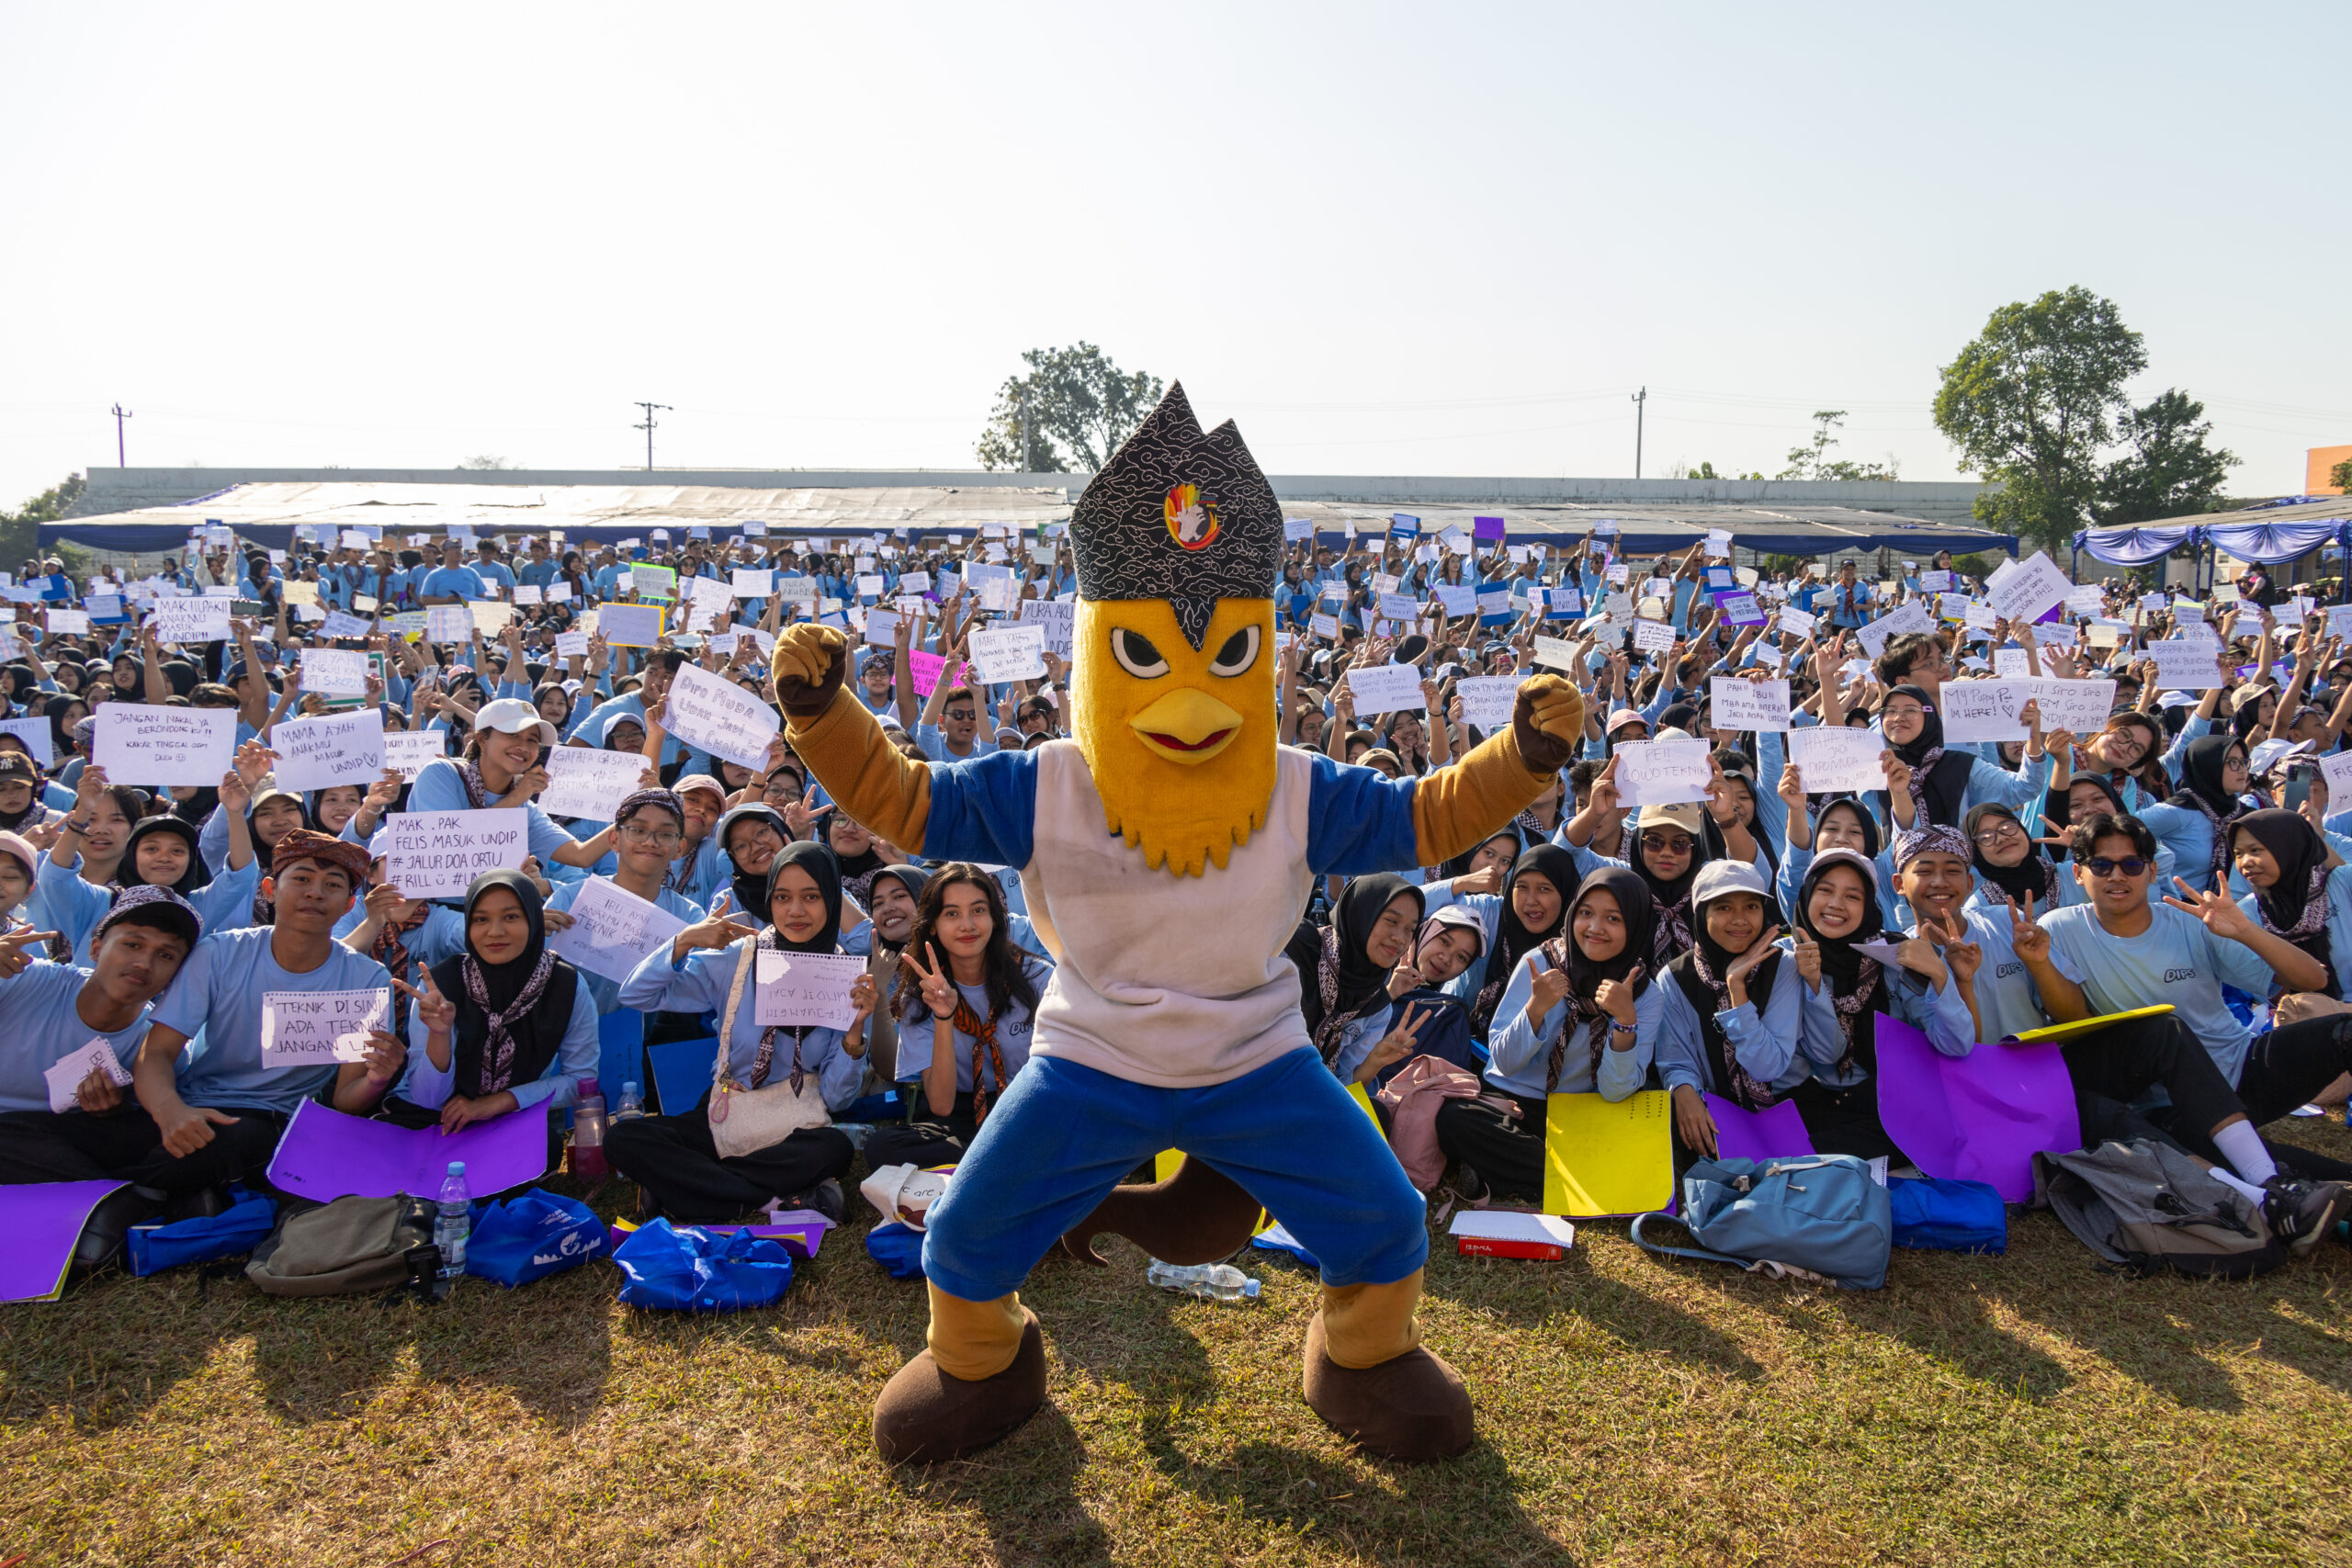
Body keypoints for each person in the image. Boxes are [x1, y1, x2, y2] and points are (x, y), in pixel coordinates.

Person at [6, 833, 391, 1202]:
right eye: (302, 879)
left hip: (268, 1119)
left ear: (348, 905)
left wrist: (377, 1079)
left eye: (332, 885)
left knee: (216, 1148)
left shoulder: (367, 978)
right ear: (270, 890)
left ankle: (119, 1196)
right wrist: (170, 1111)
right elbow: (156, 1054)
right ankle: (129, 1196)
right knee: (20, 1132)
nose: (314, 893)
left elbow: (346, 1100)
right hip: (189, 1103)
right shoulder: (220, 953)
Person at [2038, 812, 2352, 1237]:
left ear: (2151, 871)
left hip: (2240, 1073)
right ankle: (2272, 1189)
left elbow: (2314, 980)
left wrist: (2244, 931)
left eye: (2131, 864)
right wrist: (2038, 964)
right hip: (2171, 1109)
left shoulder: (2191, 922)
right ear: (2079, 873)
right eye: (2101, 865)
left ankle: (2269, 1183)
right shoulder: (2061, 928)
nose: (2117, 875)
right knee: (2326, 1176)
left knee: (2344, 1030)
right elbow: (2071, 1017)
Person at [609, 841, 871, 1223]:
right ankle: (767, 1199)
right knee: (624, 1139)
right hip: (725, 1114)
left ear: (832, 899)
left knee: (833, 1149)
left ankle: (691, 1192)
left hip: (792, 1122)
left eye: (811, 896)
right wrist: (685, 940)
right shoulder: (739, 958)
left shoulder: (843, 976)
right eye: (783, 897)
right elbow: (636, 993)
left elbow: (835, 1097)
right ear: (770, 901)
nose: (795, 911)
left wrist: (854, 1034)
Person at [0, 889, 205, 1266]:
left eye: (165, 955)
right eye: (132, 944)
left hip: (57, 1139)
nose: (144, 963)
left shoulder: (158, 1045)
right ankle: (126, 1199)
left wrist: (110, 1113)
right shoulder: (22, 980)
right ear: (95, 948)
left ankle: (119, 1199)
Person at [1434, 865, 1657, 1201]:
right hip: (1512, 1102)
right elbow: (1505, 1063)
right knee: (1455, 1119)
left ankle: (1503, 1170)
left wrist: (1625, 1022)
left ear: (1636, 924)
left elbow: (1616, 1092)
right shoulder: (1540, 963)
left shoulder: (1645, 994)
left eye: (1614, 919)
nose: (1595, 929)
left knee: (1644, 1131)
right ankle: (1568, 1174)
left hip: (1582, 1110)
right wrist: (1536, 1008)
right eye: (1585, 913)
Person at [1785, 833, 1980, 1160]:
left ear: (1869, 906)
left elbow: (1957, 1044)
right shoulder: (1787, 961)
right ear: (1806, 896)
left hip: (1892, 1102)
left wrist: (1941, 976)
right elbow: (1822, 1054)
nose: (1835, 904)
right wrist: (1813, 983)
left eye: (1852, 896)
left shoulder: (1894, 955)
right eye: (1825, 890)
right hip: (1817, 1101)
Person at [378, 872, 599, 1152]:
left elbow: (581, 1078)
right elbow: (428, 1099)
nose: (495, 932)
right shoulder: (441, 985)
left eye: (511, 917)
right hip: (431, 1118)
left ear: (533, 919)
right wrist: (439, 1035)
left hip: (506, 1117)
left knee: (545, 1149)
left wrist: (499, 1102)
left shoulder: (565, 986)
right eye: (481, 919)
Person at [863, 864, 1054, 1169]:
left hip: (1029, 1105)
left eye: (978, 910)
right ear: (933, 925)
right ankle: (1004, 1162)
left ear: (994, 917)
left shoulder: (1036, 977)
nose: (967, 924)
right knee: (882, 1147)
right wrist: (944, 1016)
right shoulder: (920, 996)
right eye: (951, 914)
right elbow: (941, 1104)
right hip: (961, 1115)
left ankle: (988, 1164)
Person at [1654, 860, 1806, 1163]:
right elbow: (1676, 1059)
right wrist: (1684, 1091)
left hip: (1789, 1104)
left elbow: (1768, 1067)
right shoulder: (1675, 978)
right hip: (1716, 1107)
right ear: (1701, 914)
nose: (1740, 920)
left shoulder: (1783, 965)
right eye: (1723, 908)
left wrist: (1737, 989)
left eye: (1751, 906)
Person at [39, 774, 261, 961]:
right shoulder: (100, 902)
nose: (164, 857)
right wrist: (82, 814)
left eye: (177, 851)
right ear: (131, 855)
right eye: (151, 849)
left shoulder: (197, 906)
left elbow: (240, 877)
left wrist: (234, 813)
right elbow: (54, 877)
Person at [544, 788, 707, 1014]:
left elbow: (691, 991)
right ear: (614, 839)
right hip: (564, 1039)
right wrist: (531, 938)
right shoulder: (570, 899)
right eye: (638, 830)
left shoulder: (690, 919)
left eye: (665, 834)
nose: (650, 842)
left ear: (679, 848)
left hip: (644, 1043)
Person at [1283, 874, 1425, 1083]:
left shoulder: (1376, 1006)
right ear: (1361, 914)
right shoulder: (1296, 951)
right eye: (1391, 920)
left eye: (1409, 929)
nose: (1400, 938)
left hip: (1311, 1101)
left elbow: (1344, 1088)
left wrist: (1375, 1060)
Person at [2228, 808, 2352, 1002]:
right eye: (2238, 854)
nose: (2246, 862)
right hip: (2308, 1021)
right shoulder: (2245, 916)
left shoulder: (2343, 882)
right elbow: (2278, 996)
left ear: (2289, 847)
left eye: (2255, 850)